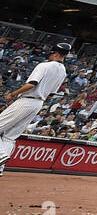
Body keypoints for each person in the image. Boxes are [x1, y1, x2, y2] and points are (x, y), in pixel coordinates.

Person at [0, 43, 71, 176]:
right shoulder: (63, 71)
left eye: (51, 53)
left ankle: (1, 154)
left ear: (55, 54)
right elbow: (51, 93)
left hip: (27, 100)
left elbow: (32, 84)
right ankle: (0, 168)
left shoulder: (44, 65)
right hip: (38, 103)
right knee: (10, 136)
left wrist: (12, 94)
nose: (49, 55)